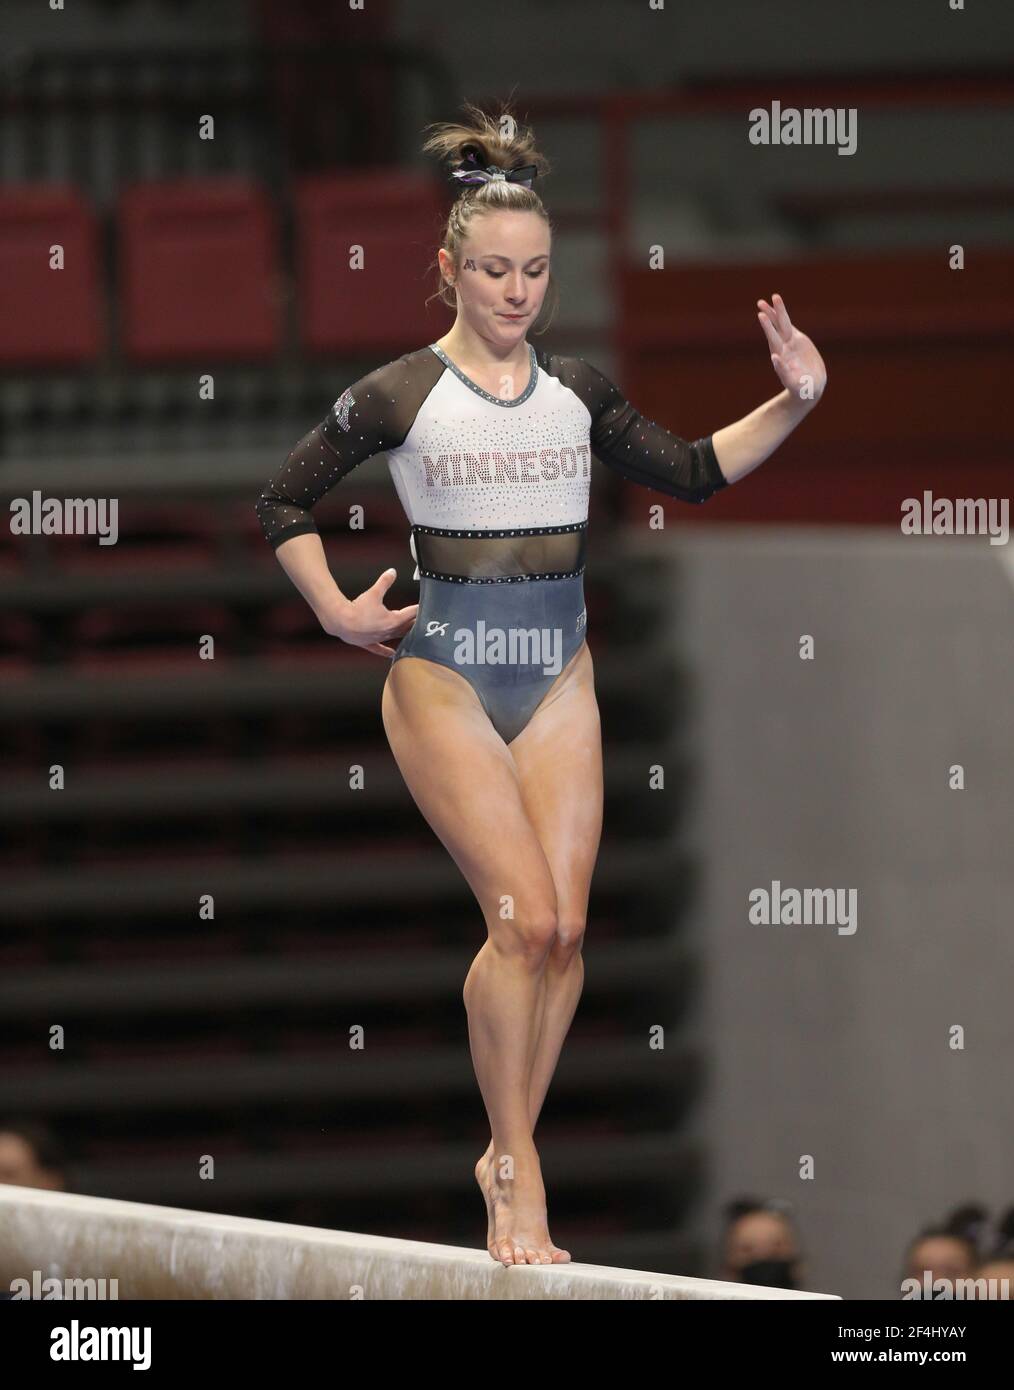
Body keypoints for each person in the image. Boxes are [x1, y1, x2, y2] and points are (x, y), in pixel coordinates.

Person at [255, 101, 826, 1266]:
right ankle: (514, 1169)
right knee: (516, 921)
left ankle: (506, 1147)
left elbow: (695, 470)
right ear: (450, 269)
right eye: (493, 270)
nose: (515, 291)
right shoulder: (400, 393)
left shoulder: (576, 393)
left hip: (557, 673)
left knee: (561, 932)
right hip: (442, 676)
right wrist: (332, 606)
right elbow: (279, 501)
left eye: (533, 271)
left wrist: (795, 400)